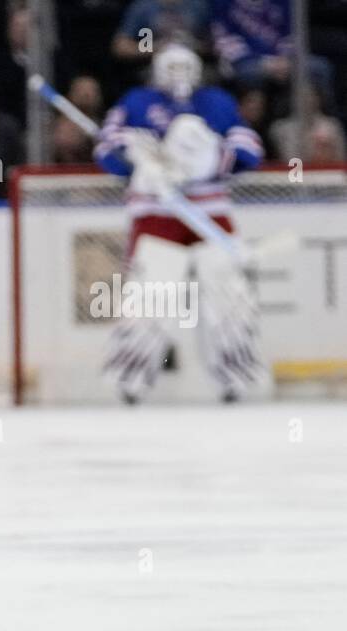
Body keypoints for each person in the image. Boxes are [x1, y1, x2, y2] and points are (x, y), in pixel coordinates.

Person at [94, 43, 265, 403]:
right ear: (156, 70)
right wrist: (135, 163)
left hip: (209, 210)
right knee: (153, 291)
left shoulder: (215, 101)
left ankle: (235, 376)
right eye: (170, 68)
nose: (178, 76)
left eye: (185, 67)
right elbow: (106, 146)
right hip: (156, 211)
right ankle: (130, 378)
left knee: (226, 289)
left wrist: (211, 161)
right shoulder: (137, 101)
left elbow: (250, 147)